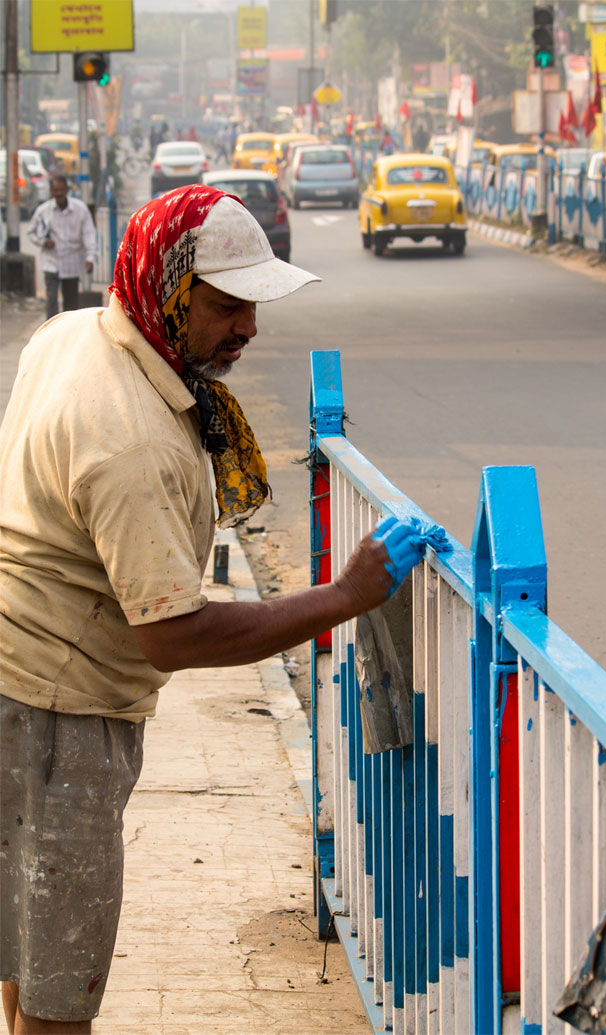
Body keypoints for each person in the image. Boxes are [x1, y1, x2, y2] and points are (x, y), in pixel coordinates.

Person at [0, 184, 424, 1033]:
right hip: (54, 718)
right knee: (59, 990)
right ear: (168, 294)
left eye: (253, 306)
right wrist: (342, 597)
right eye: (228, 306)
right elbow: (172, 634)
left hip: (24, 685)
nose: (249, 328)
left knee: (25, 952)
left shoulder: (72, 332)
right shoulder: (132, 438)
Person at [28, 175, 97, 321]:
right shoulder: (43, 211)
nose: (58, 193)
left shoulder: (80, 210)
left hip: (72, 262)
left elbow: (89, 234)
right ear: (51, 191)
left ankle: (69, 329)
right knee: (51, 299)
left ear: (67, 190)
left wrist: (90, 257)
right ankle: (51, 329)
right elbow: (31, 232)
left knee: (71, 303)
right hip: (51, 261)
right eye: (55, 190)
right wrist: (43, 241)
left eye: (61, 190)